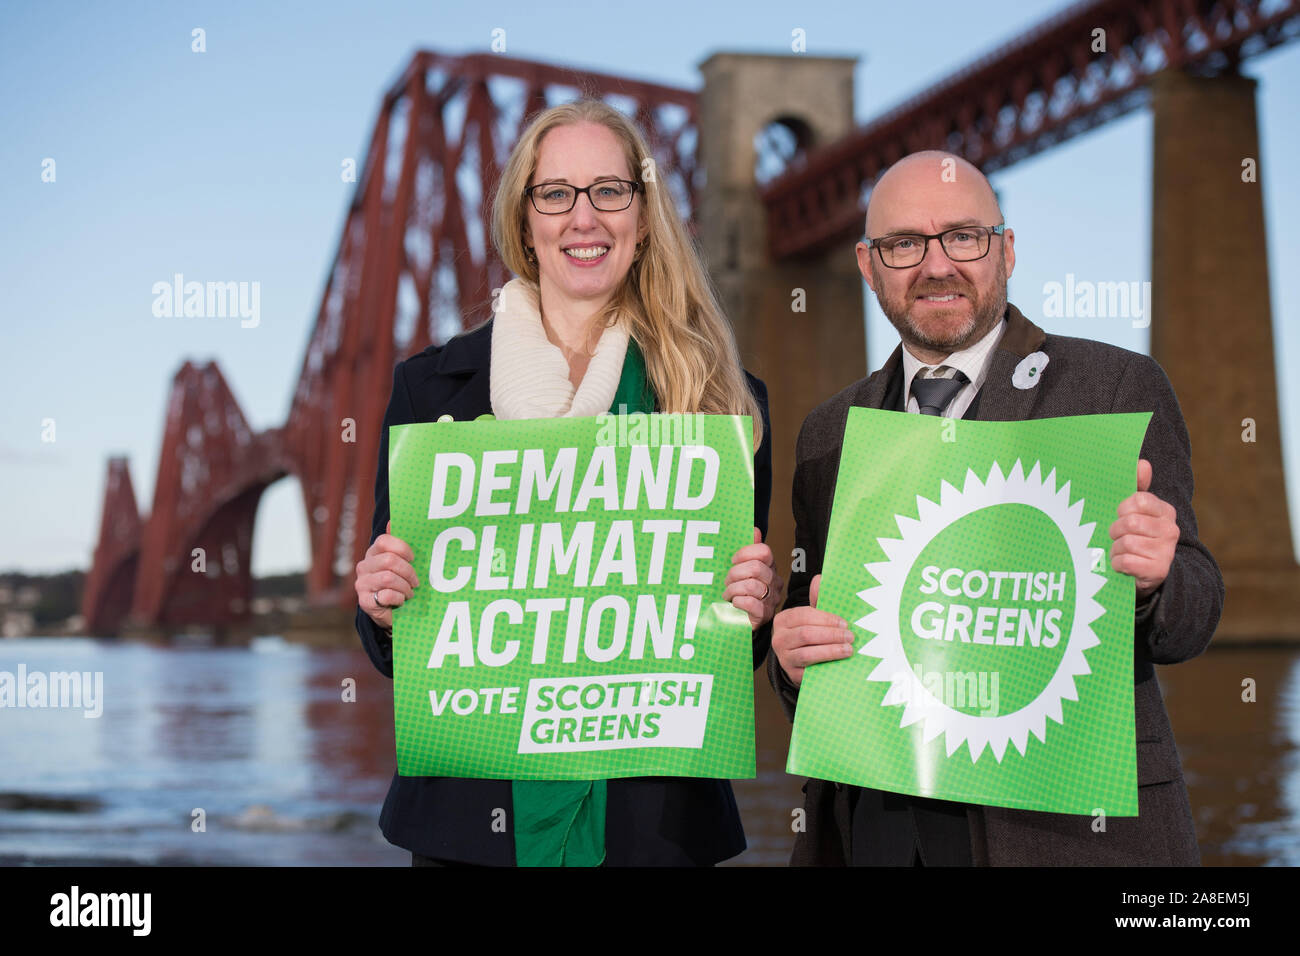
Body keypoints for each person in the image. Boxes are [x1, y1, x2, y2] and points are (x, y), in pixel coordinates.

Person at [353, 99, 784, 866]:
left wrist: (752, 611)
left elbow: (723, 657)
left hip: (654, 827)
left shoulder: (723, 402)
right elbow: (394, 649)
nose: (584, 217)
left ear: (643, 217)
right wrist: (385, 605)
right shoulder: (428, 390)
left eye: (609, 191)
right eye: (555, 193)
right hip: (471, 829)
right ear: (525, 222)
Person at [768, 149, 1222, 866]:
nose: (936, 265)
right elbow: (809, 622)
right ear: (867, 266)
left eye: (963, 237)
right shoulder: (829, 430)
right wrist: (792, 661)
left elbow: (1193, 617)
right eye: (903, 244)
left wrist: (1158, 578)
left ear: (1006, 249)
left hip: (1061, 834)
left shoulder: (1115, 387)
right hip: (873, 830)